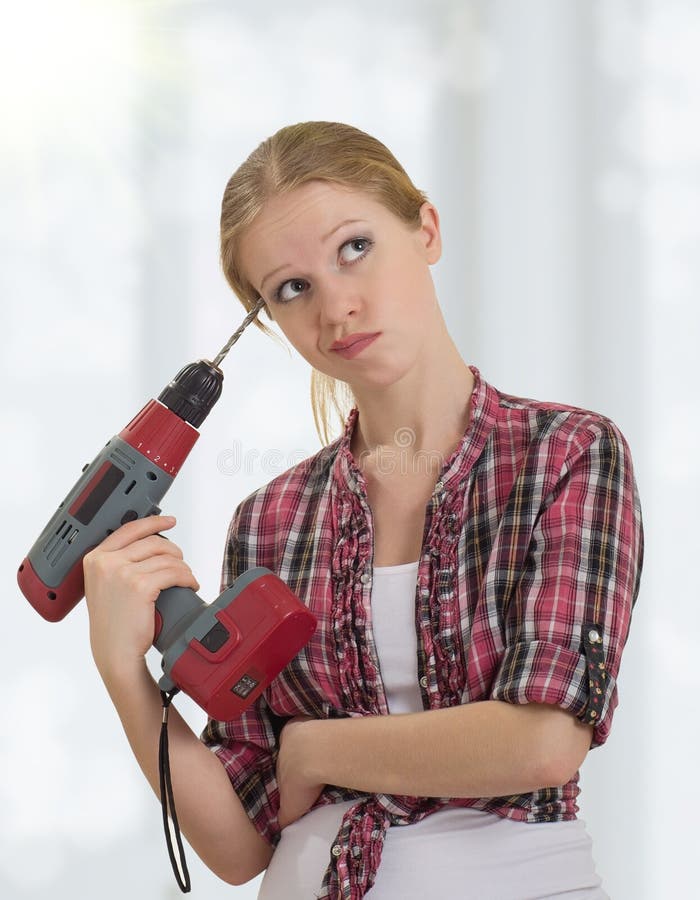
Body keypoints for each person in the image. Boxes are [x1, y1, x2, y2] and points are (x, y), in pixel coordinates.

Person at [83, 121, 644, 899]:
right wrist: (124, 677)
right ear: (272, 319)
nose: (337, 307)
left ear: (426, 229)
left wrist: (313, 751)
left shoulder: (567, 454)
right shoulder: (269, 520)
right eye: (291, 288)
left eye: (354, 247)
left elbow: (544, 742)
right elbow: (244, 843)